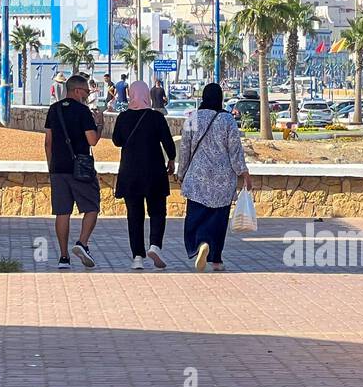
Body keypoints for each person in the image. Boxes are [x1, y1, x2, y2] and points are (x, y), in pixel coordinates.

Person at [177, 83, 252, 272]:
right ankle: (216, 260)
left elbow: (185, 149)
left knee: (195, 216)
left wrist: (181, 173)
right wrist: (244, 173)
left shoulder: (192, 118)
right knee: (219, 219)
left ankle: (200, 243)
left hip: (197, 179)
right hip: (223, 180)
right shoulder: (227, 120)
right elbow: (235, 150)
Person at [113, 80, 177, 269]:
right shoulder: (156, 117)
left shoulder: (123, 117)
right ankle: (155, 245)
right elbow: (167, 141)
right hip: (154, 172)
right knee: (157, 211)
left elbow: (117, 141)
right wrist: (171, 159)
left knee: (134, 215)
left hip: (130, 173)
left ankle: (137, 257)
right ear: (147, 96)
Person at [44, 74, 102, 269]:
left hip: (58, 168)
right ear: (77, 91)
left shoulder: (54, 110)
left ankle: (63, 258)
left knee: (62, 213)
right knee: (92, 207)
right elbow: (92, 140)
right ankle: (82, 243)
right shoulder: (83, 111)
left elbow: (48, 142)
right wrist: (99, 123)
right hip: (80, 169)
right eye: (86, 91)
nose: (87, 95)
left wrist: (50, 166)